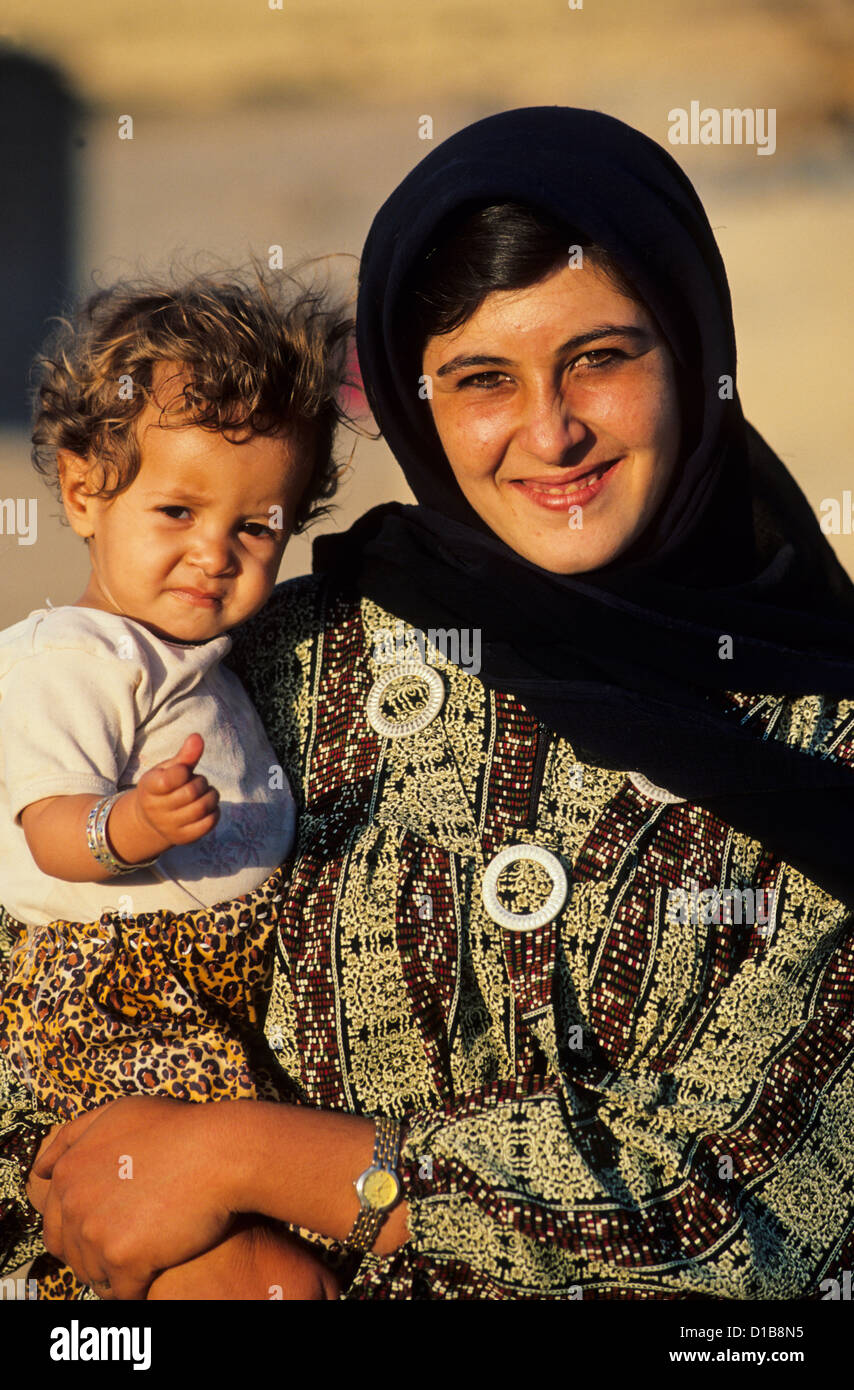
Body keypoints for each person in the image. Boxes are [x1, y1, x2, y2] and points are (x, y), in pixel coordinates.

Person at [3, 106, 854, 1302]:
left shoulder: (823, 739)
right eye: (480, 379)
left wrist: (248, 1153)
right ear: (412, 404)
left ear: (694, 345)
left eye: (601, 357)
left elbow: (756, 1222)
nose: (549, 432)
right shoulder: (284, 664)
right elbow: (42, 1072)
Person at [0, 268, 351, 1297]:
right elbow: (47, 831)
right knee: (232, 1259)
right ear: (80, 490)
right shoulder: (70, 658)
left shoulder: (203, 659)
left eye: (254, 529)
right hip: (117, 991)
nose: (213, 554)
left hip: (211, 986)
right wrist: (133, 824)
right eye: (177, 510)